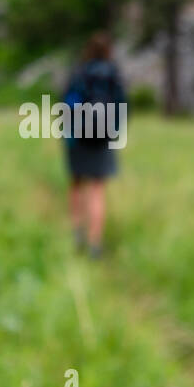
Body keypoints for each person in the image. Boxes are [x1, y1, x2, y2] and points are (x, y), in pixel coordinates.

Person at [63, 31, 126, 258]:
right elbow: (122, 107)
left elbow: (67, 104)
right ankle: (95, 243)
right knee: (97, 190)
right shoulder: (114, 76)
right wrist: (114, 133)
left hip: (78, 136)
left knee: (76, 183)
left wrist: (69, 133)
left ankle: (77, 232)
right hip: (103, 138)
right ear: (109, 51)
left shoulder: (79, 73)